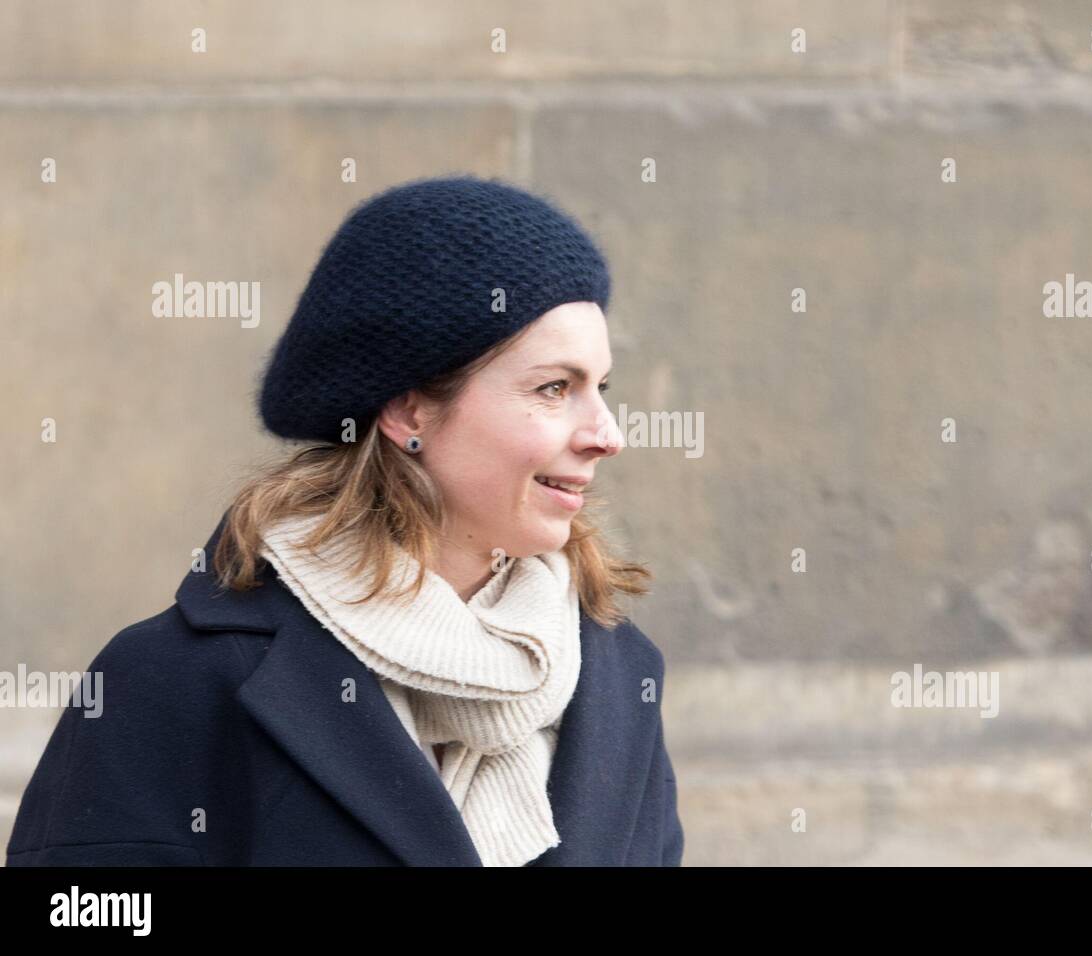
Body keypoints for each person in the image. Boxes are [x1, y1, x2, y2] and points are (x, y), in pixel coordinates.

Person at [6, 175, 685, 866]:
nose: (607, 433)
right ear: (408, 410)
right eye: (554, 388)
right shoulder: (176, 679)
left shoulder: (615, 678)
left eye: (601, 388)